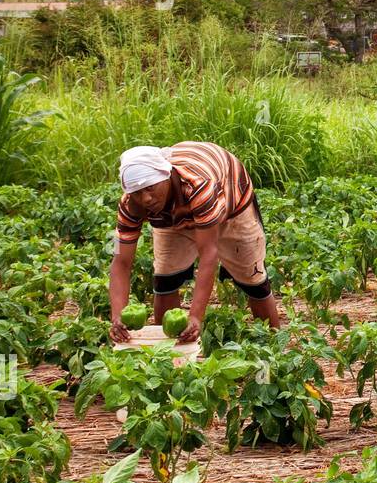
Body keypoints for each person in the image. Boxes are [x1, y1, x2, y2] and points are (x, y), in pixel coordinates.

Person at [108, 142, 280, 344]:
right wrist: (117, 315)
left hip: (231, 208)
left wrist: (196, 316)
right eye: (137, 192)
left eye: (151, 188)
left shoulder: (199, 186)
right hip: (170, 216)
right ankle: (169, 354)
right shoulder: (130, 205)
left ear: (166, 175)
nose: (145, 198)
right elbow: (120, 262)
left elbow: (209, 253)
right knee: (165, 279)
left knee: (254, 281)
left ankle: (273, 347)